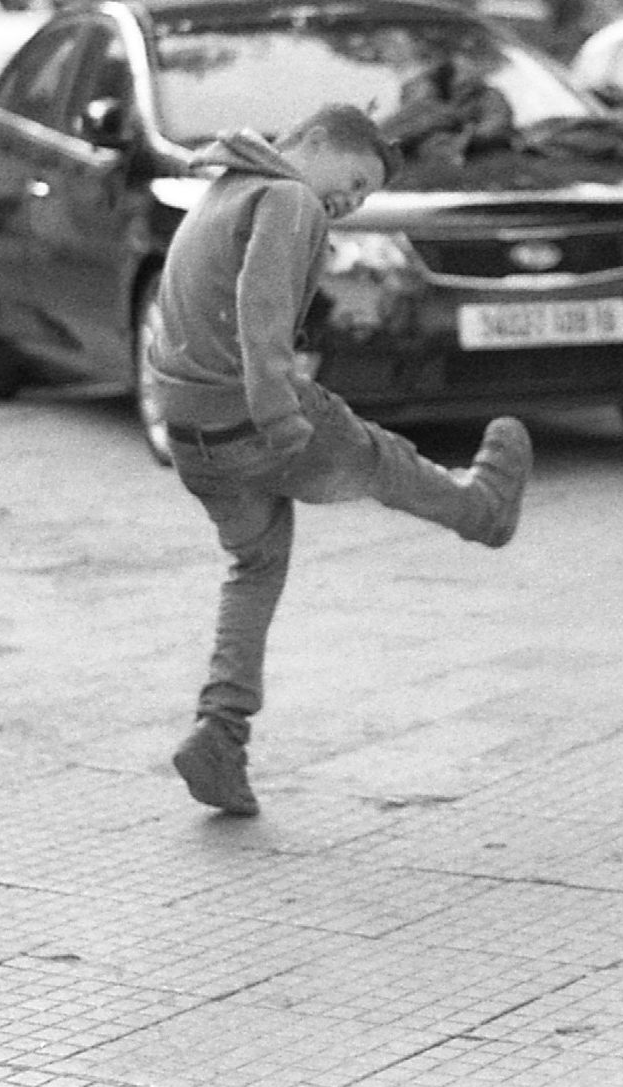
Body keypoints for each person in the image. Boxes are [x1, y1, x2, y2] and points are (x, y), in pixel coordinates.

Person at [146, 104, 533, 817]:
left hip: (191, 431)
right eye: (353, 179)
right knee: (380, 458)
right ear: (314, 141)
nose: (350, 202)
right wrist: (275, 407)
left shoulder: (222, 188)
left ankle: (220, 736)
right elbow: (259, 305)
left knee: (256, 564)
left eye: (363, 198)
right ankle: (482, 509)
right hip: (255, 411)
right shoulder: (289, 197)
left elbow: (182, 309)